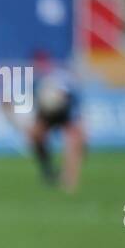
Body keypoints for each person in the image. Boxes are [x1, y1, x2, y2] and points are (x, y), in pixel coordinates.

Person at [28, 50, 86, 192]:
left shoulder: (59, 77)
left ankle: (70, 180)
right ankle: (48, 170)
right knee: (35, 134)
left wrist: (78, 119)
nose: (39, 66)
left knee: (73, 142)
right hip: (48, 114)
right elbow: (37, 104)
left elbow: (72, 97)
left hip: (65, 112)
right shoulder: (36, 82)